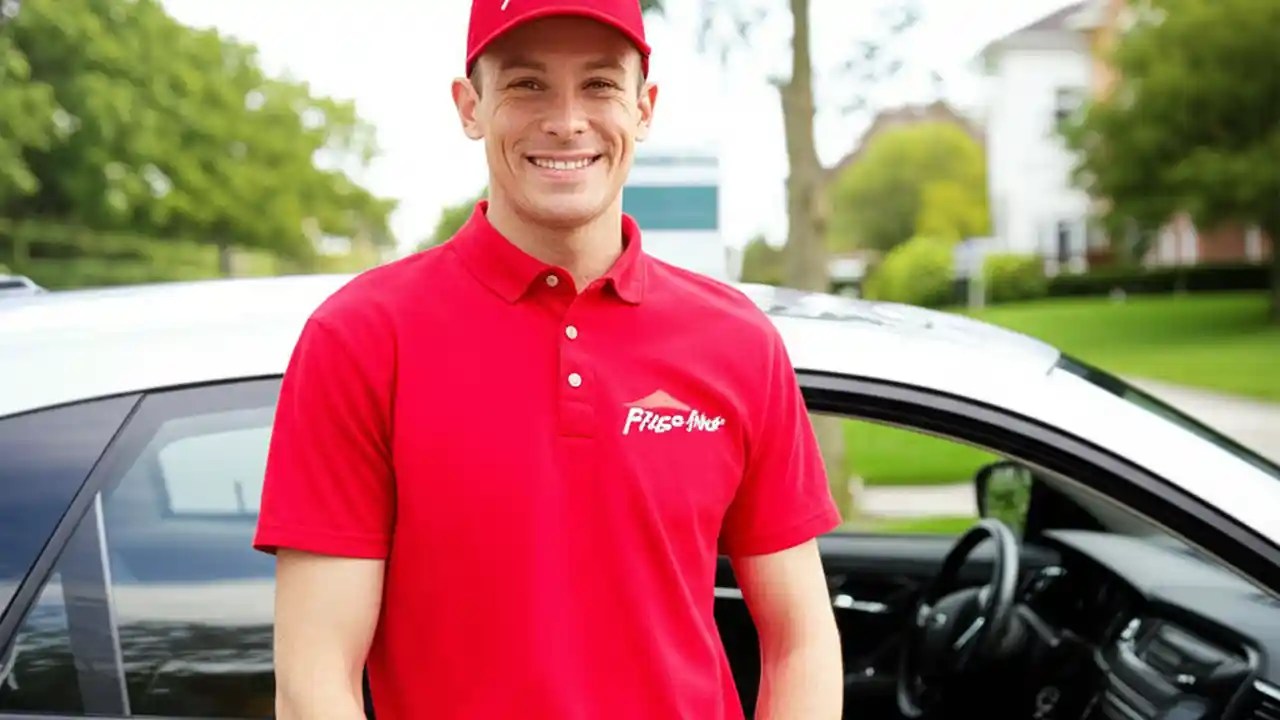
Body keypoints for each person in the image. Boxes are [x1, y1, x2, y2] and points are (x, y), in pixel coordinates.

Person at [252, 0, 844, 717]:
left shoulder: (739, 342)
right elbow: (316, 683)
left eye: (599, 84)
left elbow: (801, 638)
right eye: (527, 85)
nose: (567, 119)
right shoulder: (362, 340)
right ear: (470, 107)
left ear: (645, 108)